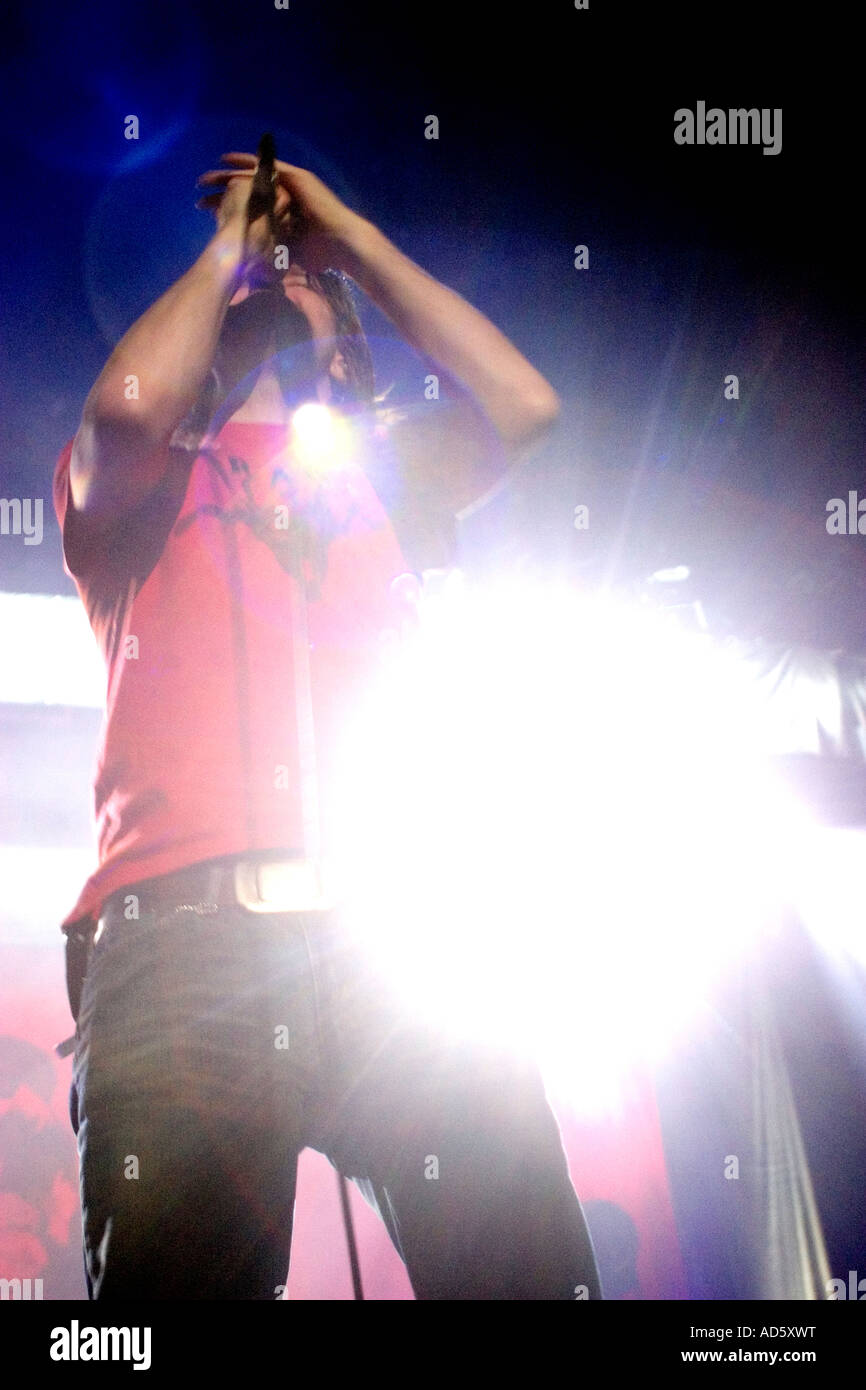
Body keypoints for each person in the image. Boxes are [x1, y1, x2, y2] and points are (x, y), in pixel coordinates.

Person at [54, 146, 602, 1299]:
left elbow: (523, 406)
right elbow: (125, 404)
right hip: (182, 951)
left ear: (349, 345)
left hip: (392, 942)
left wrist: (345, 236)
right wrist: (228, 251)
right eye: (255, 283)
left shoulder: (387, 479)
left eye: (302, 283)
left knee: (527, 1274)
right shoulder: (144, 491)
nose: (274, 281)